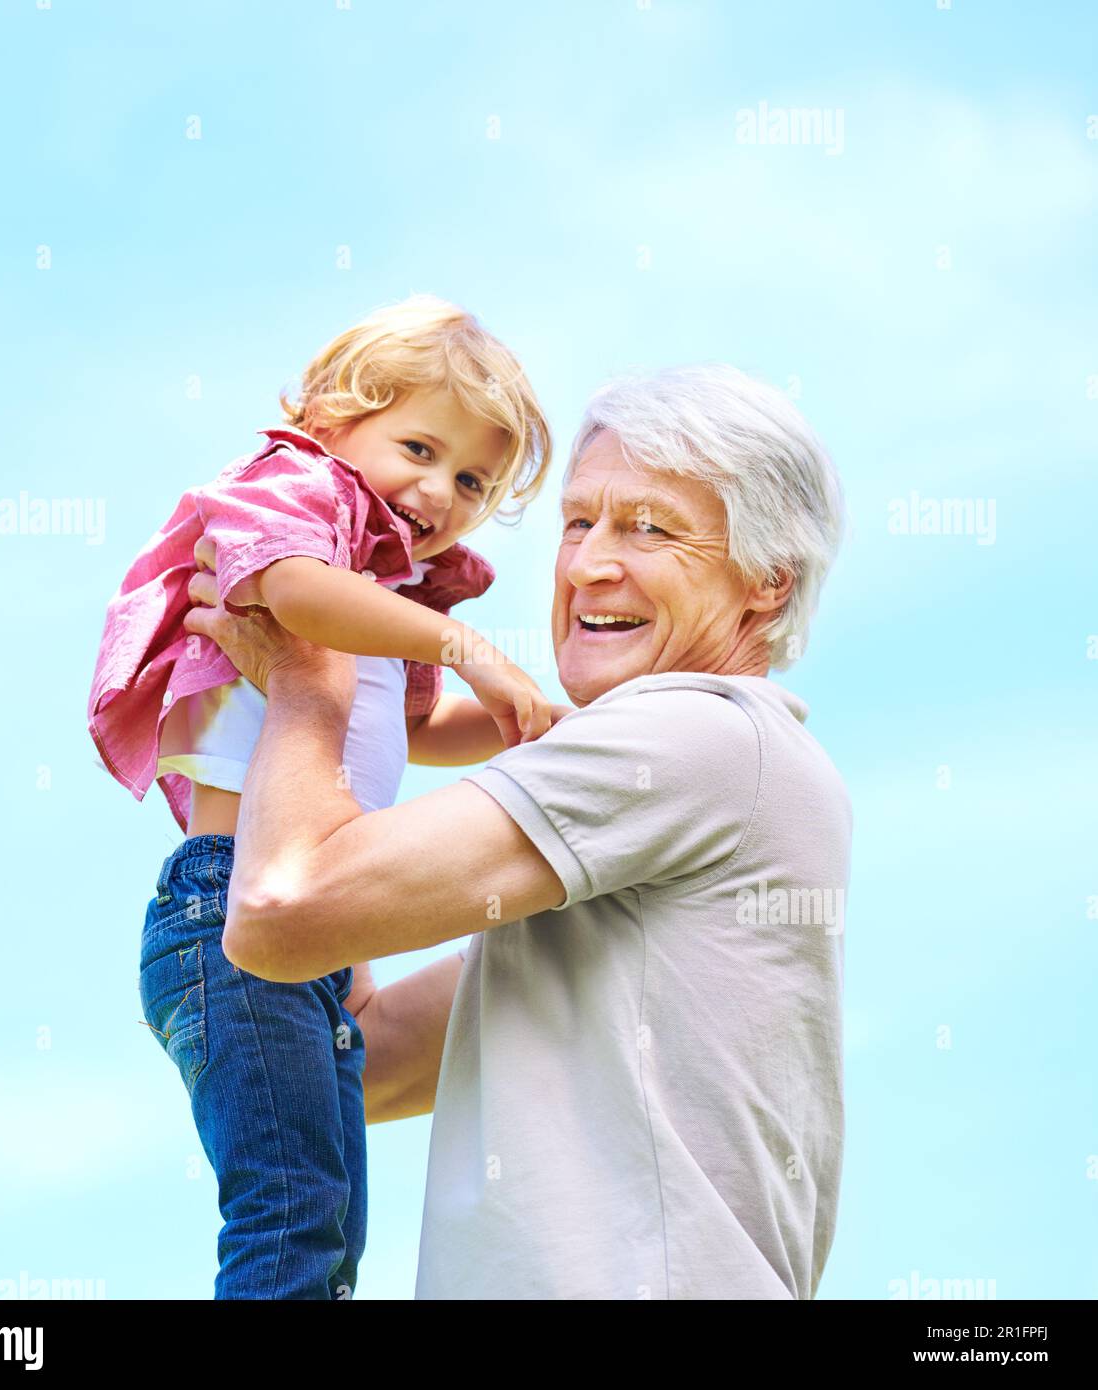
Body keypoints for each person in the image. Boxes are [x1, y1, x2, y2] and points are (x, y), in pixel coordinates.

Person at [185, 364, 853, 1300]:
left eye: (650, 529)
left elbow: (280, 912)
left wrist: (309, 677)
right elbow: (361, 1057)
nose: (587, 566)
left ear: (767, 584)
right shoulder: (669, 808)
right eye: (578, 523)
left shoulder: (692, 733)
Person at [88, 296, 557, 1298]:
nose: (438, 490)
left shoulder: (386, 588)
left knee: (332, 1228)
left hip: (316, 939)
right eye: (419, 448)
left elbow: (418, 730)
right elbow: (292, 590)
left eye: (471, 480)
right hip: (226, 910)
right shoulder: (295, 492)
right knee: (291, 1210)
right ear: (329, 419)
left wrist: (548, 725)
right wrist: (468, 646)